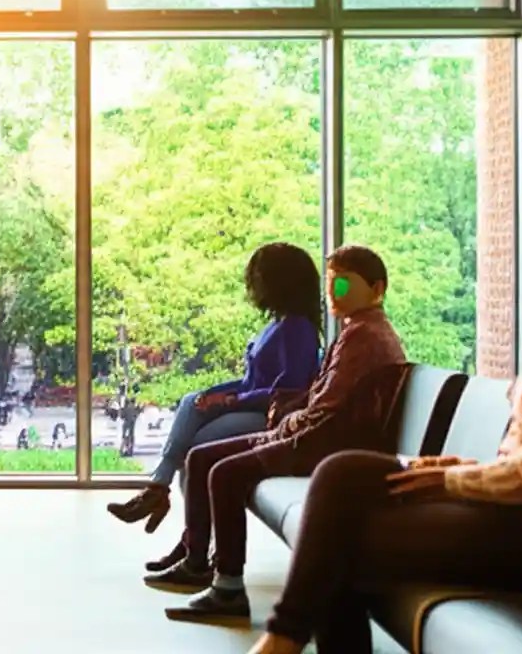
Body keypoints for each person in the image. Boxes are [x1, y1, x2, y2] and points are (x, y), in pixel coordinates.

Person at [249, 189, 522, 654]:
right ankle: (284, 636)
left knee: (341, 541)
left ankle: (282, 637)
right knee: (345, 471)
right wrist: (455, 471)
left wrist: (455, 479)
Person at [147, 246, 408, 622]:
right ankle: (196, 559)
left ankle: (227, 587)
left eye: (345, 284)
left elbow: (323, 409)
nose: (334, 292)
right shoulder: (356, 330)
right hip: (321, 436)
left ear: (377, 289)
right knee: (202, 456)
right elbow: (320, 399)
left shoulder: (363, 337)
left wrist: (281, 426)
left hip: (326, 445)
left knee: (221, 470)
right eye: (331, 283)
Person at [108, 243, 322, 537]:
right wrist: (214, 394)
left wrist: (232, 400)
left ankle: (191, 538)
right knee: (190, 401)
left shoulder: (297, 328)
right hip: (254, 407)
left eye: (257, 276)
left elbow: (288, 390)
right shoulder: (279, 324)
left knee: (197, 450)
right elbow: (252, 380)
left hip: (270, 417)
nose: (251, 284)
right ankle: (161, 493)